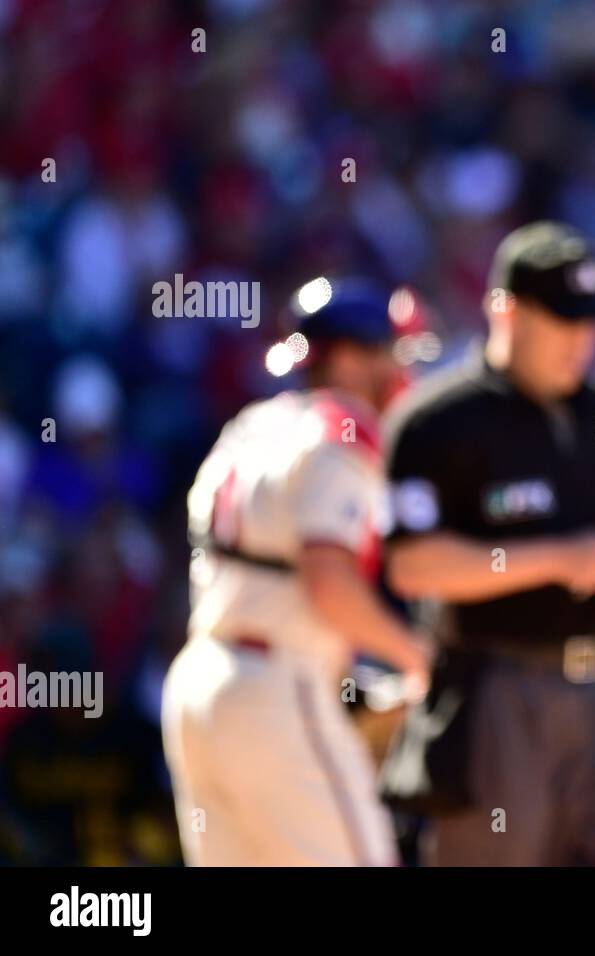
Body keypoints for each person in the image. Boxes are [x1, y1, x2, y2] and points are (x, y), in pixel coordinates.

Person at [381, 221, 595, 866]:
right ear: (506, 311)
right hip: (496, 687)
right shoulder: (438, 420)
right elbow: (411, 565)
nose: (582, 340)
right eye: (562, 319)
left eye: (590, 321)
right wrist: (561, 558)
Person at [161, 278, 430, 866]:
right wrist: (420, 659)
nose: (398, 370)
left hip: (199, 684)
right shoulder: (341, 432)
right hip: (278, 691)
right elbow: (328, 584)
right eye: (388, 352)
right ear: (351, 357)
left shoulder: (250, 426)